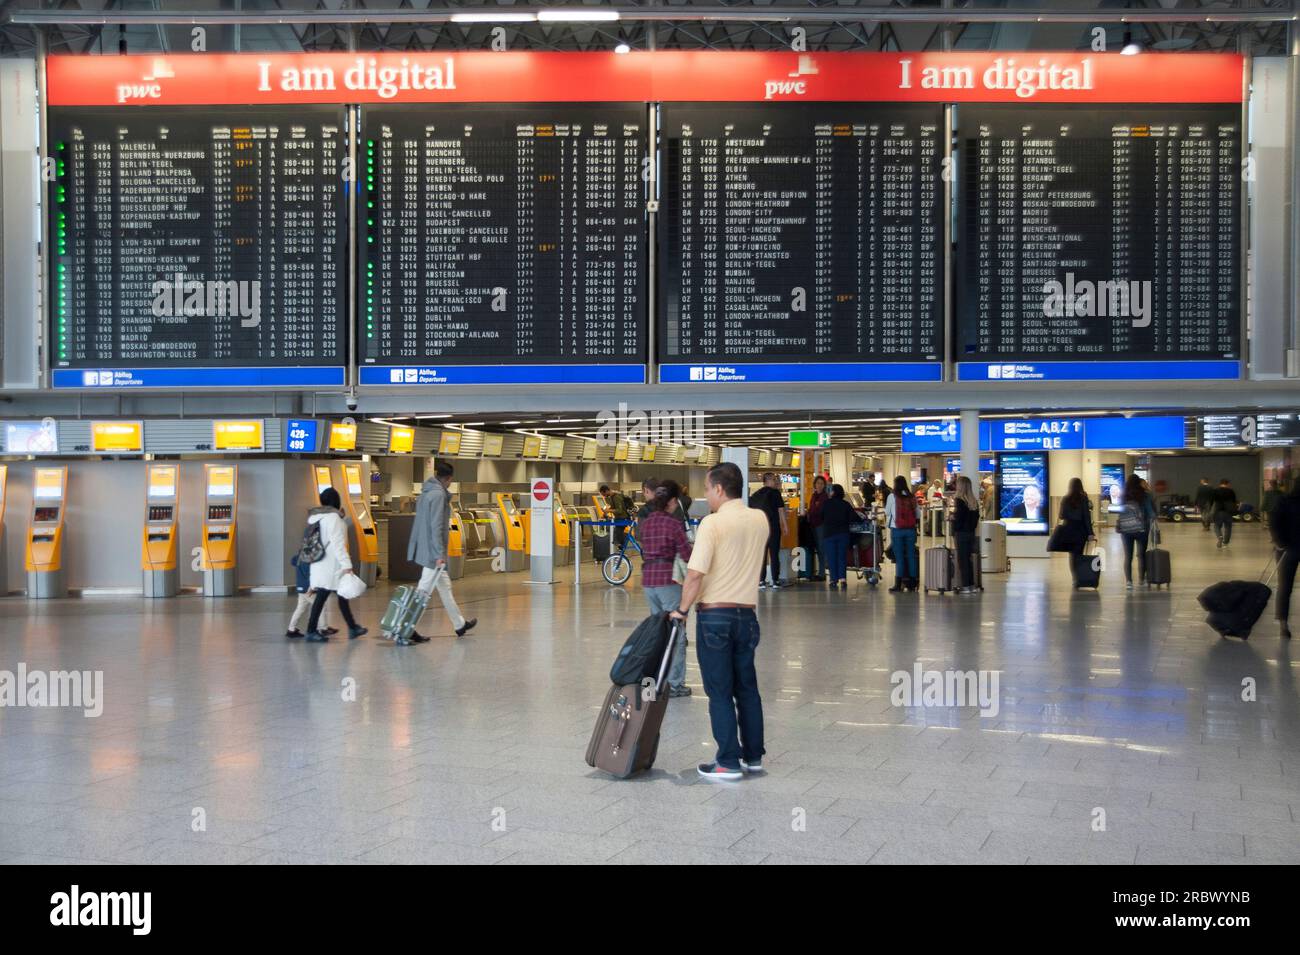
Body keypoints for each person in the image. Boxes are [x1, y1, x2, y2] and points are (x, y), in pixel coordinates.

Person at [669, 462, 768, 781]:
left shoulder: (712, 524)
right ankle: (753, 757)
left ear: (720, 489)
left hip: (715, 617)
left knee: (720, 691)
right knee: (747, 689)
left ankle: (727, 761)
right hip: (747, 616)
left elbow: (695, 573)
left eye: (708, 489)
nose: (706, 496)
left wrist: (681, 611)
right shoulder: (760, 519)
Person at [407, 461, 477, 642]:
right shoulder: (438, 495)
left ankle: (459, 624)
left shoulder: (427, 492)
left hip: (427, 548)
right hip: (433, 554)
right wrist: (439, 554)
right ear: (449, 479)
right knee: (423, 591)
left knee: (445, 587)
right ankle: (408, 627)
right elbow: (436, 526)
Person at [638, 479, 693, 697]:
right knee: (676, 633)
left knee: (657, 632)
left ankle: (654, 678)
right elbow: (687, 555)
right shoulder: (672, 524)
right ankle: (675, 683)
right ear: (671, 501)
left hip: (648, 581)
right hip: (666, 582)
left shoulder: (647, 522)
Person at [304, 487, 367, 642]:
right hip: (332, 566)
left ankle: (353, 627)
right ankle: (311, 630)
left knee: (341, 596)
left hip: (320, 562)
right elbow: (338, 544)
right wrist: (347, 565)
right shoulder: (333, 519)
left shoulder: (317, 517)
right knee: (324, 597)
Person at [1269, 482, 1300, 639]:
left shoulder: (1284, 501)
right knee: (1284, 587)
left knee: (1284, 587)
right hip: (1289, 548)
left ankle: (1283, 624)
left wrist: (1279, 542)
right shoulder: (1284, 501)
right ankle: (1283, 624)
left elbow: (1274, 521)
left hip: (1287, 549)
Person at [748, 471, 788, 589]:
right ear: (767, 481)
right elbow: (781, 510)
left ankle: (761, 580)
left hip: (760, 528)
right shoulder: (775, 493)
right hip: (773, 527)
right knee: (774, 553)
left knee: (762, 554)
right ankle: (775, 580)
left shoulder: (756, 494)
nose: (775, 481)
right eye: (773, 479)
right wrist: (785, 525)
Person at [1117, 474, 1156, 590]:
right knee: (1141, 555)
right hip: (1141, 529)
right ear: (1139, 483)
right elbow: (1150, 512)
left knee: (1128, 556)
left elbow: (1120, 512)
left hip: (1126, 530)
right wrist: (1154, 517)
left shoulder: (1123, 496)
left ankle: (1129, 582)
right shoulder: (1145, 495)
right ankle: (1141, 579)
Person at [286, 550, 334, 638]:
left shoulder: (297, 559)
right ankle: (323, 628)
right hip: (308, 589)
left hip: (300, 588)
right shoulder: (307, 561)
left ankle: (291, 629)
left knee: (300, 609)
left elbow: (293, 561)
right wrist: (312, 587)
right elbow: (310, 575)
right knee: (320, 606)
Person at [885, 476, 919, 593]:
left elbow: (887, 512)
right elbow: (918, 514)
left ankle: (898, 584)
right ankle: (913, 583)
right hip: (911, 530)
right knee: (911, 555)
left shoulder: (892, 496)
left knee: (899, 557)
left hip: (897, 530)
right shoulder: (911, 496)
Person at [819, 483, 857, 589]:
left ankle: (833, 580)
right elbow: (853, 517)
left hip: (829, 534)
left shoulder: (826, 503)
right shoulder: (845, 504)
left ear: (833, 492)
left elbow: (821, 516)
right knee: (842, 557)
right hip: (843, 534)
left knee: (831, 557)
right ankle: (843, 580)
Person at [1056, 477, 1095, 582]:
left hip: (1068, 529)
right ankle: (1079, 576)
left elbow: (1061, 515)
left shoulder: (1065, 499)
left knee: (1072, 555)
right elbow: (1087, 517)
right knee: (1079, 554)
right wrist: (1090, 533)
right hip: (1080, 530)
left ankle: (1074, 578)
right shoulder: (1083, 499)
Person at [952, 475, 982, 594]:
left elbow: (959, 518)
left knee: (962, 560)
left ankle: (965, 586)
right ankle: (971, 585)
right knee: (968, 560)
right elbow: (974, 519)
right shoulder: (973, 501)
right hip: (970, 533)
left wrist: (953, 518)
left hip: (961, 534)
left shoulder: (959, 501)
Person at [806, 475, 829, 582]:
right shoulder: (814, 496)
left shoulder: (824, 497)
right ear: (814, 485)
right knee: (817, 548)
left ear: (824, 485)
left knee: (821, 549)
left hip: (821, 525)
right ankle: (818, 572)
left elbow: (818, 510)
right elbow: (812, 509)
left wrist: (812, 511)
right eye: (817, 483)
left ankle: (822, 573)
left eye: (821, 483)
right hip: (813, 525)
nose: (819, 485)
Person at [1211, 478, 1238, 548]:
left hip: (1218, 511)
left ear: (1220, 484)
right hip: (1228, 512)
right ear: (1227, 484)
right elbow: (1234, 502)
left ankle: (1220, 536)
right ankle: (1225, 543)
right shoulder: (1231, 491)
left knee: (1217, 526)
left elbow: (1212, 501)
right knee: (1228, 527)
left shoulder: (1215, 491)